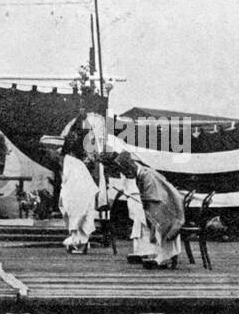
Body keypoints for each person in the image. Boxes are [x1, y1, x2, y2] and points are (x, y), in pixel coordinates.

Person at [107, 151, 184, 268]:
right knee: (143, 219)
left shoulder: (147, 175)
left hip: (168, 209)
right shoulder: (141, 173)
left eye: (126, 171)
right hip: (161, 207)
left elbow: (156, 198)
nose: (126, 175)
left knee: (153, 220)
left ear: (131, 166)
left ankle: (164, 256)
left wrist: (148, 211)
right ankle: (152, 252)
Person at [59, 115, 98, 254]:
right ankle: (79, 241)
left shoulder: (70, 157)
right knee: (78, 210)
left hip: (78, 179)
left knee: (75, 208)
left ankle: (79, 241)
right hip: (82, 178)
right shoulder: (87, 139)